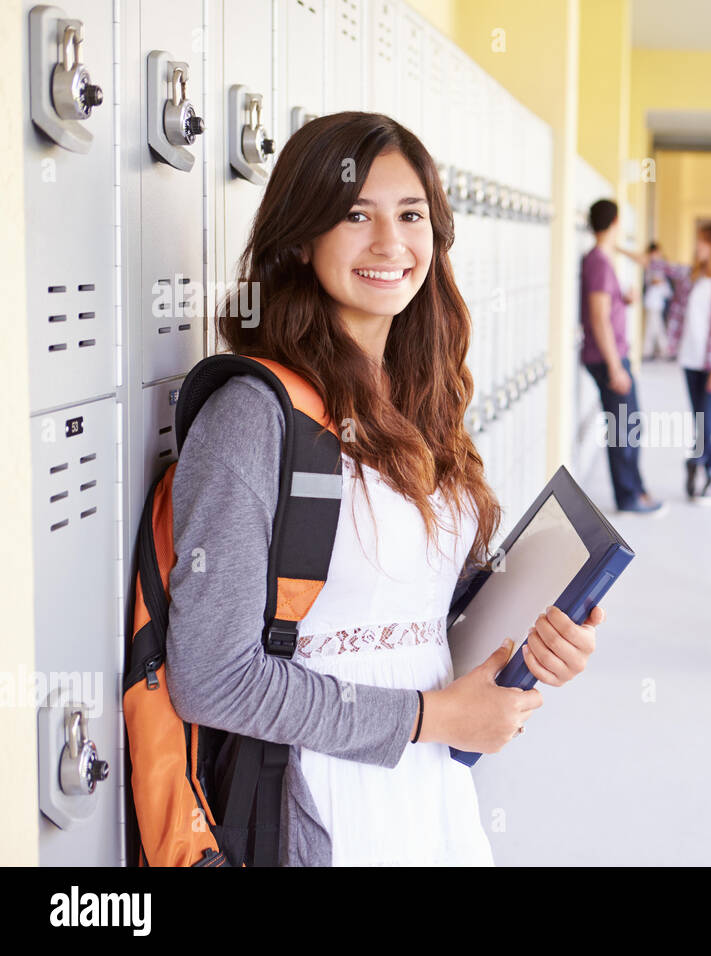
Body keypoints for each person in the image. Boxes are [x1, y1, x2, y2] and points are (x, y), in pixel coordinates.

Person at [165, 112, 606, 866]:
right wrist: (429, 717)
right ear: (300, 237)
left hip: (430, 791)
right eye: (354, 215)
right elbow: (213, 677)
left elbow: (423, 608)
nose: (389, 243)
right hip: (319, 803)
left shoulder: (420, 403)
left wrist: (539, 640)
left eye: (411, 215)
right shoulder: (254, 416)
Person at [620, 224, 711, 504]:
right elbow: (654, 263)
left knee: (706, 423)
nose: (696, 247)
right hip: (691, 360)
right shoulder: (691, 276)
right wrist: (613, 246)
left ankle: (699, 464)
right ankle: (705, 472)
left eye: (702, 243)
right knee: (700, 420)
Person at [580, 200, 665, 515]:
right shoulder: (600, 262)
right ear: (615, 223)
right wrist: (616, 367)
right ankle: (629, 496)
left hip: (608, 356)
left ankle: (636, 489)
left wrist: (622, 299)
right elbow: (599, 318)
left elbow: (604, 307)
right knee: (624, 427)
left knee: (629, 424)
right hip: (608, 359)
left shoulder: (599, 258)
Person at [641, 241, 672, 361]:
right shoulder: (650, 265)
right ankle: (652, 351)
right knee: (653, 327)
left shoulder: (660, 264)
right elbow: (653, 280)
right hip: (652, 301)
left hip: (657, 301)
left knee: (656, 326)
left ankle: (660, 350)